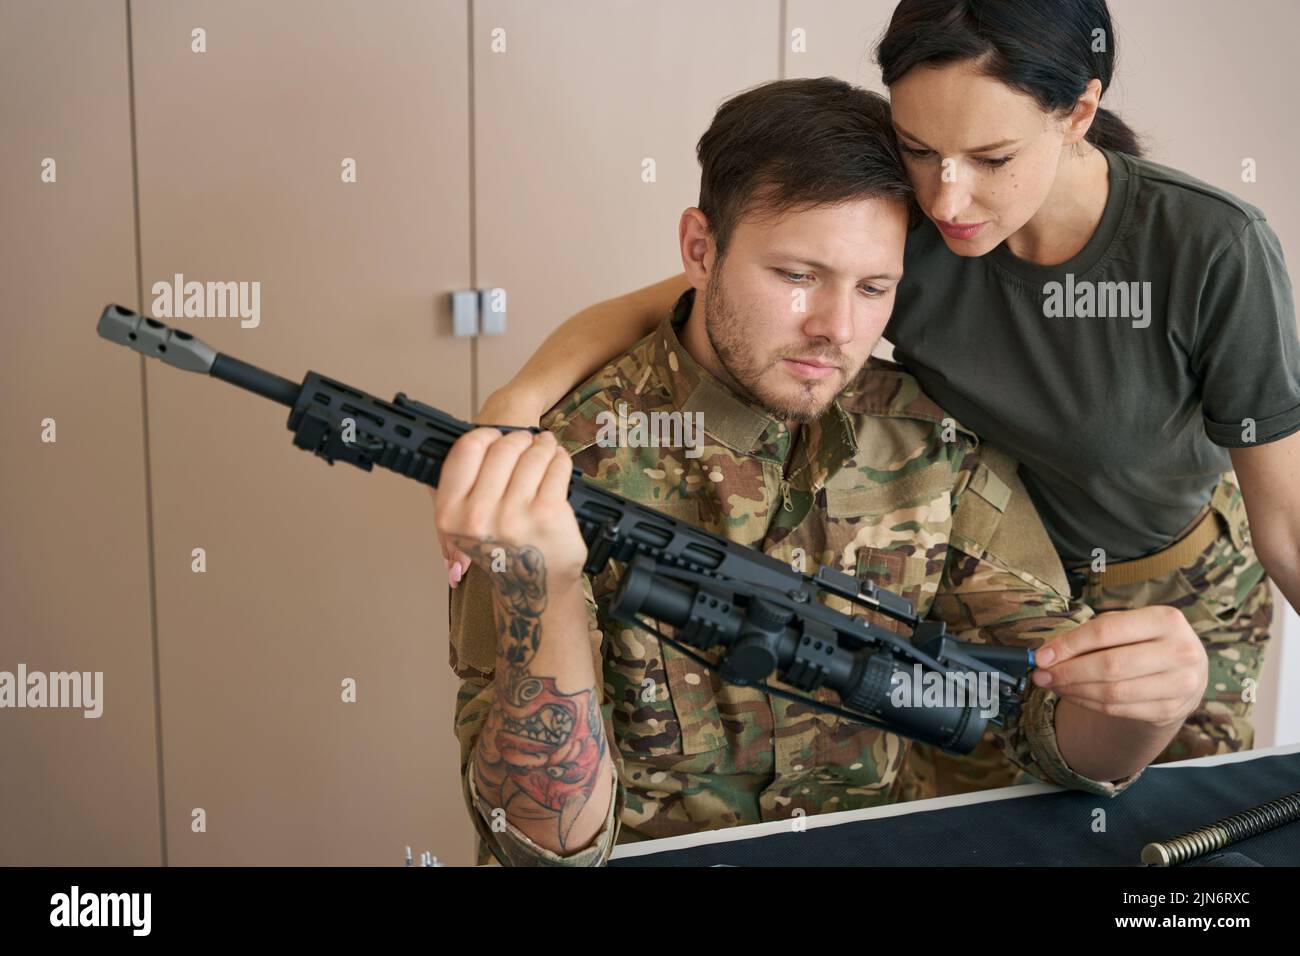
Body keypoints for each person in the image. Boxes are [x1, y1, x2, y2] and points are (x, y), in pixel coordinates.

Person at [450, 0, 1299, 798]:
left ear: (1077, 113)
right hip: (975, 568)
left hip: (1166, 585)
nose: (945, 195)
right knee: (972, 801)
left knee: (1163, 823)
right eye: (919, 150)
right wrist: (511, 407)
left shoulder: (1210, 250)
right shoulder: (916, 228)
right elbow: (686, 290)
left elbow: (1289, 528)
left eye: (991, 158)